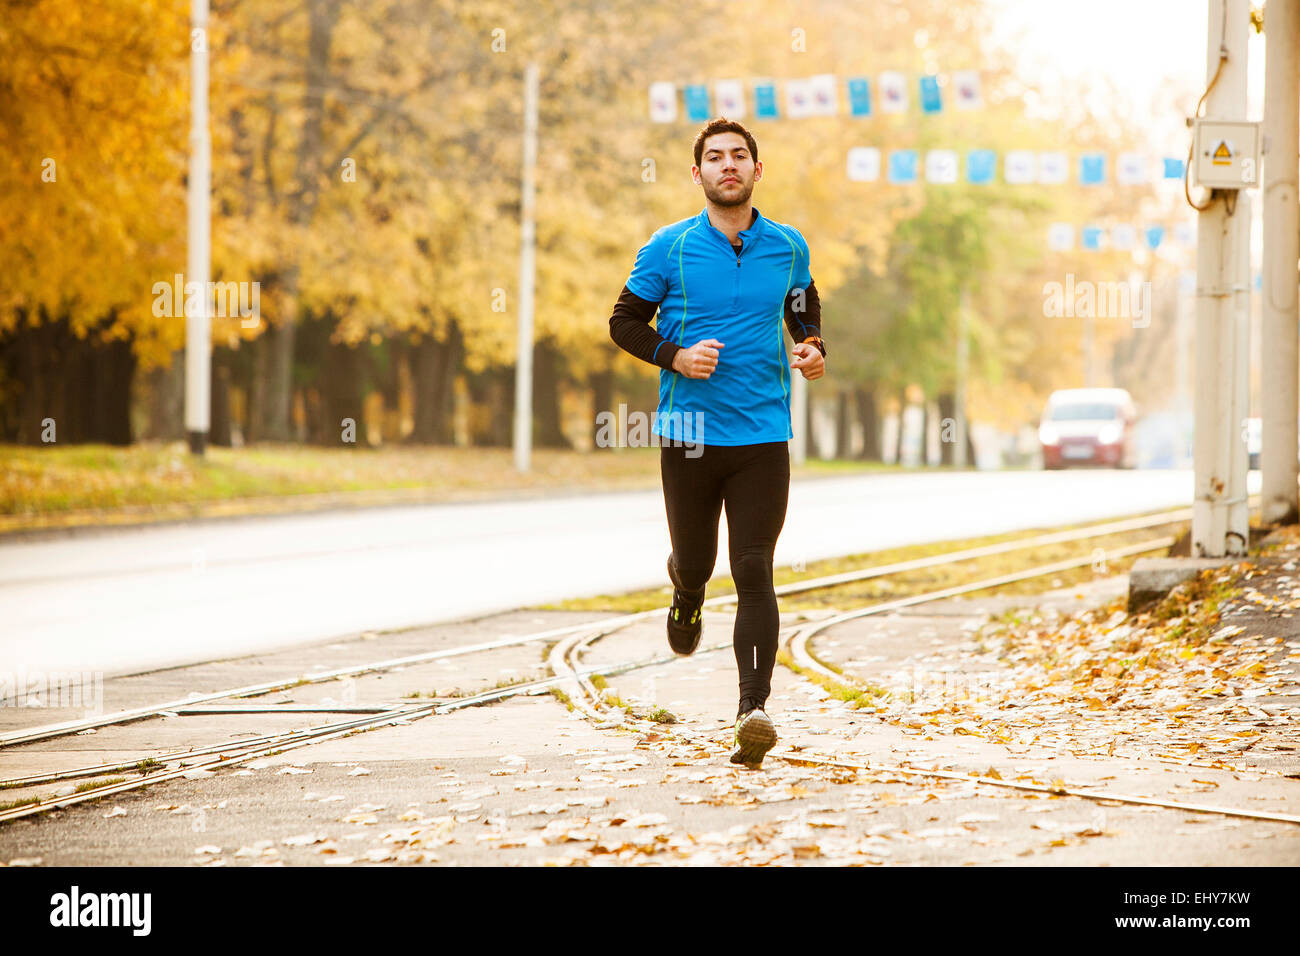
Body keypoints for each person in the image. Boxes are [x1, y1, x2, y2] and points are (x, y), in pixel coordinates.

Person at [607, 116, 826, 768]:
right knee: (699, 562)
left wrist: (812, 347)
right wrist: (674, 357)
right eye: (714, 157)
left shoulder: (788, 247)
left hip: (763, 432)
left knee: (754, 567)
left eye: (738, 157)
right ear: (697, 173)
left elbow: (801, 307)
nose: (727, 166)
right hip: (691, 436)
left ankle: (751, 712)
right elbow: (623, 322)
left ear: (758, 171)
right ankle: (686, 588)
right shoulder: (669, 248)